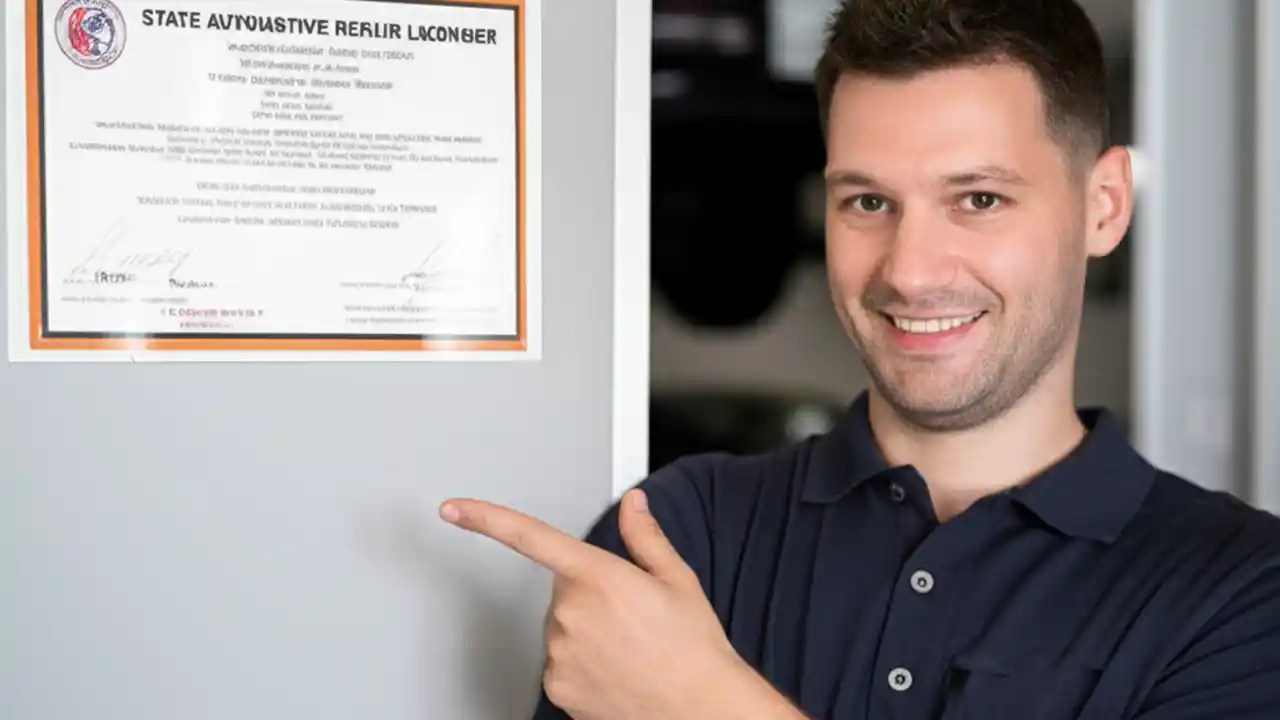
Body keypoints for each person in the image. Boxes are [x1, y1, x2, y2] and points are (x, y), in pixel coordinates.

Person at [440, 1, 1280, 717]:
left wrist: (708, 701)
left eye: (978, 199)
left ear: (1103, 207)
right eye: (868, 201)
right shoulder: (680, 534)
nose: (909, 271)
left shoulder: (1239, 593)